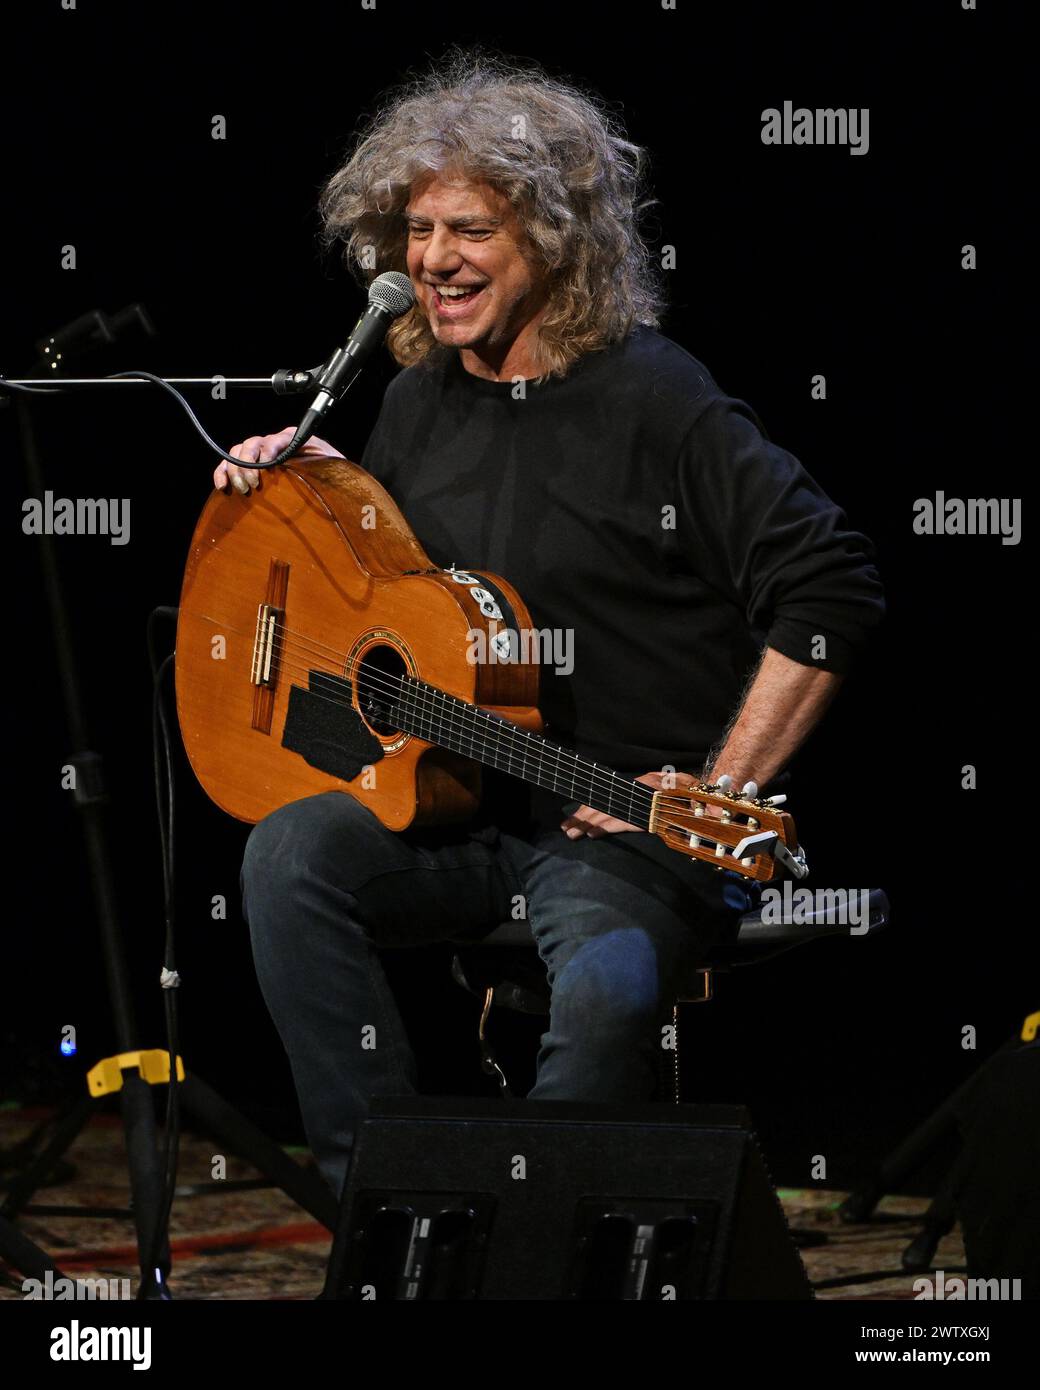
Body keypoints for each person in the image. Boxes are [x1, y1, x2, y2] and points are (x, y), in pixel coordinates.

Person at [212, 51, 885, 1200]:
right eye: (416, 230)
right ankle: (388, 1208)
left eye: (467, 229)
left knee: (609, 988)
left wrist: (709, 786)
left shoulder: (652, 396)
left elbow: (831, 582)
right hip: (463, 810)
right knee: (289, 856)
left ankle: (534, 1242)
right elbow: (400, 604)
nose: (431, 261)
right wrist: (313, 488)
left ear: (555, 239)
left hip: (623, 824)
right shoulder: (419, 398)